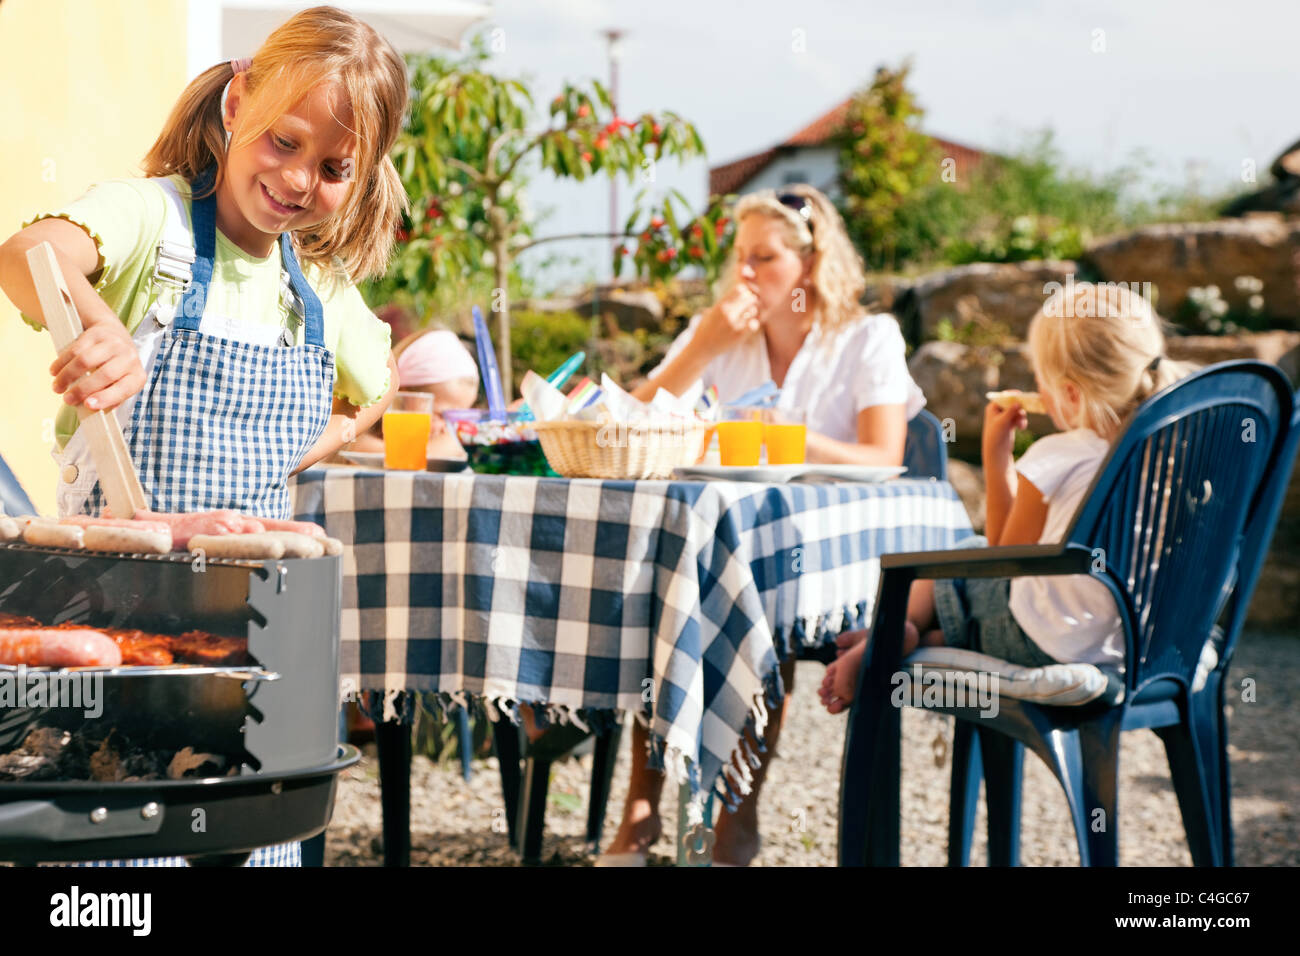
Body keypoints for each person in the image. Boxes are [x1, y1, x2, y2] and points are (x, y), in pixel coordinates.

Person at [0, 5, 407, 865]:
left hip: (260, 642)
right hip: (117, 633)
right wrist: (97, 325)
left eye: (334, 167)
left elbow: (383, 383)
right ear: (236, 107)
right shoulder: (151, 222)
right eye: (284, 142)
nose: (300, 181)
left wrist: (316, 442)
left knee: (254, 838)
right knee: (122, 860)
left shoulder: (319, 291)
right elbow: (28, 252)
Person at [601, 184, 926, 865]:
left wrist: (788, 436)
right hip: (719, 539)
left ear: (810, 264)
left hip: (827, 562)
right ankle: (640, 807)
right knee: (664, 589)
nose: (746, 273)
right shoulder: (721, 334)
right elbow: (627, 421)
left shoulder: (867, 338)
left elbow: (884, 454)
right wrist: (701, 349)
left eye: (766, 258)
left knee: (755, 597)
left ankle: (735, 816)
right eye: (740, 257)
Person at [820, 282, 1197, 714]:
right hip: (1128, 644)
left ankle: (895, 631)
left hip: (1042, 642)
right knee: (986, 595)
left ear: (1070, 395)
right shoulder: (1173, 454)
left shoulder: (1058, 456)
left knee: (965, 552)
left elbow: (1002, 557)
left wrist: (996, 455)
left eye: (1041, 376)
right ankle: (918, 639)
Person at [345, 328, 480, 461]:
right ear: (401, 398)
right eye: (441, 415)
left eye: (458, 418)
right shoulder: (355, 438)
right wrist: (458, 442)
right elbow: (402, 458)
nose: (449, 430)